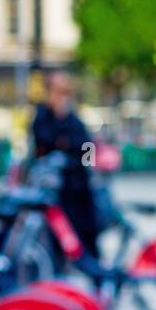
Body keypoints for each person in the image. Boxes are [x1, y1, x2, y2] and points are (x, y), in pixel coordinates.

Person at [31, 71, 100, 257]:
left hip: (79, 188)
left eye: (66, 92)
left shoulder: (74, 119)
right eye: (59, 91)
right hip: (56, 193)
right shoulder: (42, 117)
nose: (63, 97)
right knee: (59, 241)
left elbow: (86, 147)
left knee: (86, 235)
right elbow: (44, 144)